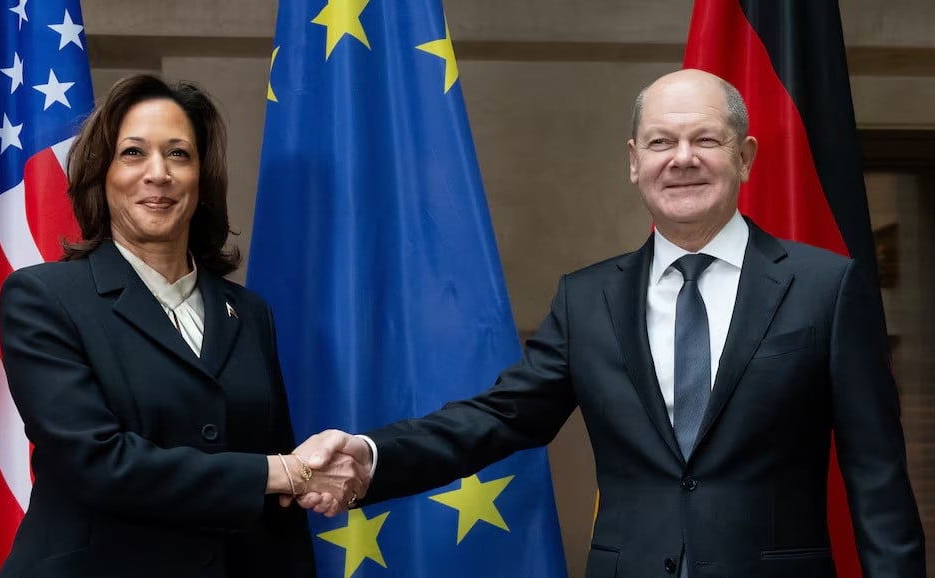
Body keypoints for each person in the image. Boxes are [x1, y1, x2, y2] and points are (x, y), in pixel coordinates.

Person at [297, 69, 925, 576]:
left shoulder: (826, 286)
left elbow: (877, 477)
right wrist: (372, 455)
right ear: (634, 161)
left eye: (705, 140)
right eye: (660, 142)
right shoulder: (587, 298)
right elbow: (497, 419)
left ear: (745, 157)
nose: (682, 159)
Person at [0, 74, 366, 577]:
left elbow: (278, 509)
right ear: (100, 174)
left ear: (201, 178)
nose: (158, 174)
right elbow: (97, 463)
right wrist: (280, 470)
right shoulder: (43, 297)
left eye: (178, 154)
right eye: (132, 153)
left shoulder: (249, 312)